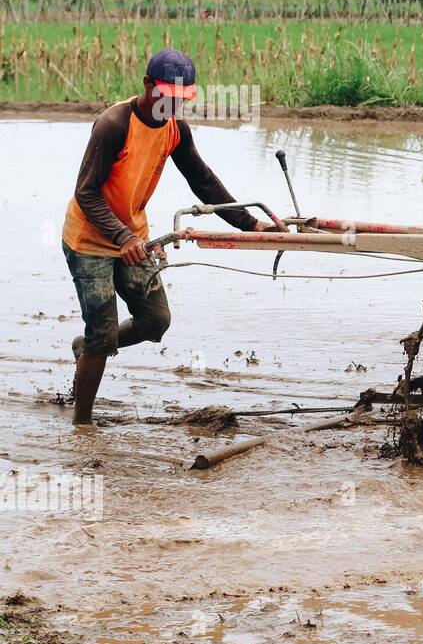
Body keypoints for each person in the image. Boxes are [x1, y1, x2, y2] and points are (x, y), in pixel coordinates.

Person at [62, 48, 273, 426]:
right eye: (166, 96)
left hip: (133, 238)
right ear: (147, 85)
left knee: (156, 319)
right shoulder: (114, 124)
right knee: (103, 329)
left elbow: (202, 179)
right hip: (90, 240)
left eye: (181, 99)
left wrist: (250, 223)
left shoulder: (175, 129)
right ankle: (83, 425)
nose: (173, 105)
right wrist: (121, 236)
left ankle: (89, 347)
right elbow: (86, 191)